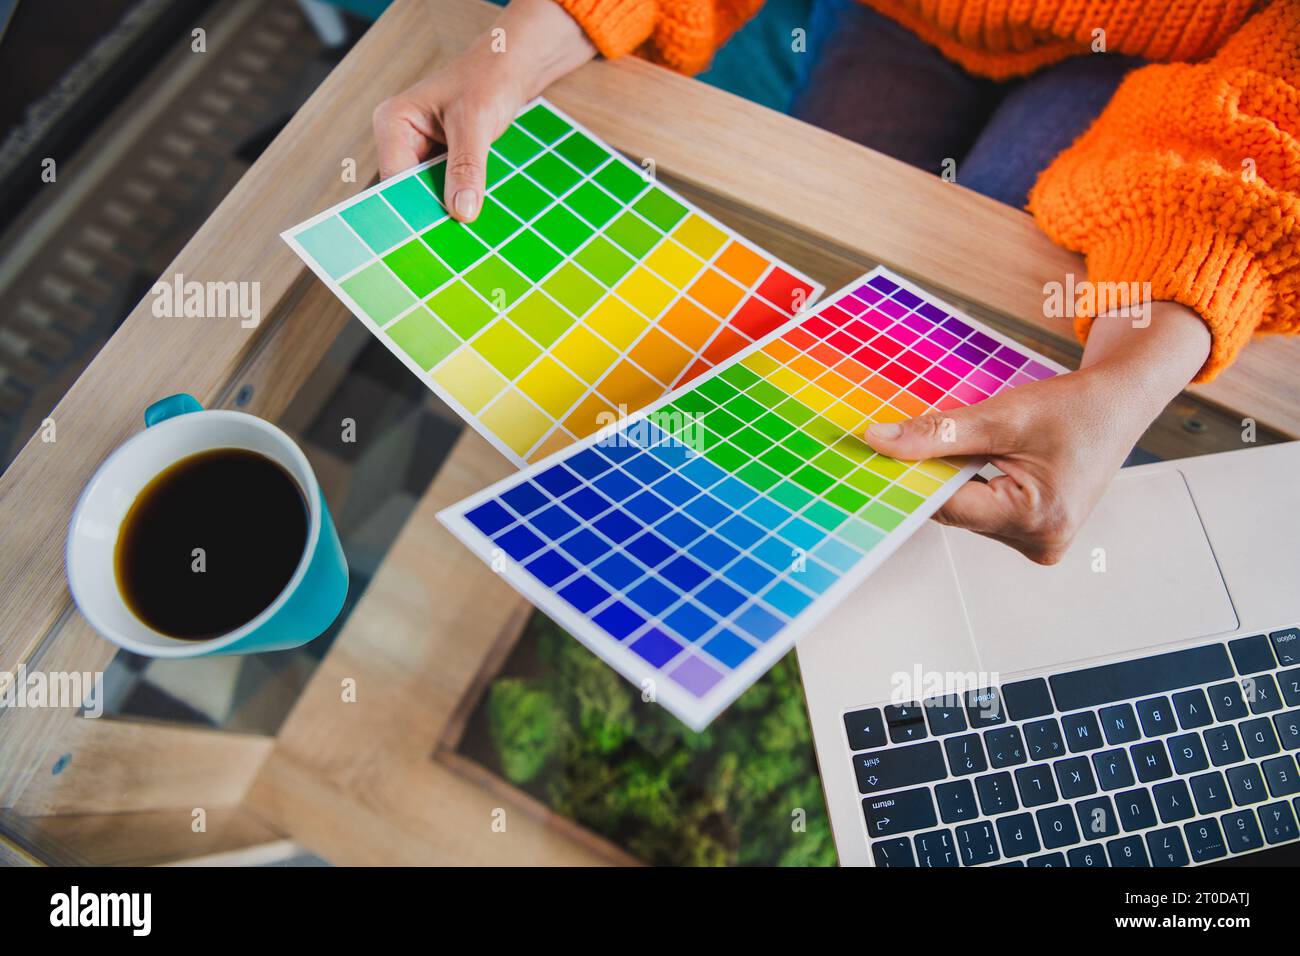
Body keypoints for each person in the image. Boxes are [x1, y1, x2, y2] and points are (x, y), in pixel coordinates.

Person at [372, 0, 1298, 564]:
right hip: (904, 14)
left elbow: (1275, 102)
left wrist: (1126, 382)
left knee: (956, 394)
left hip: (1203, 57)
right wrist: (517, 51)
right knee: (825, 333)